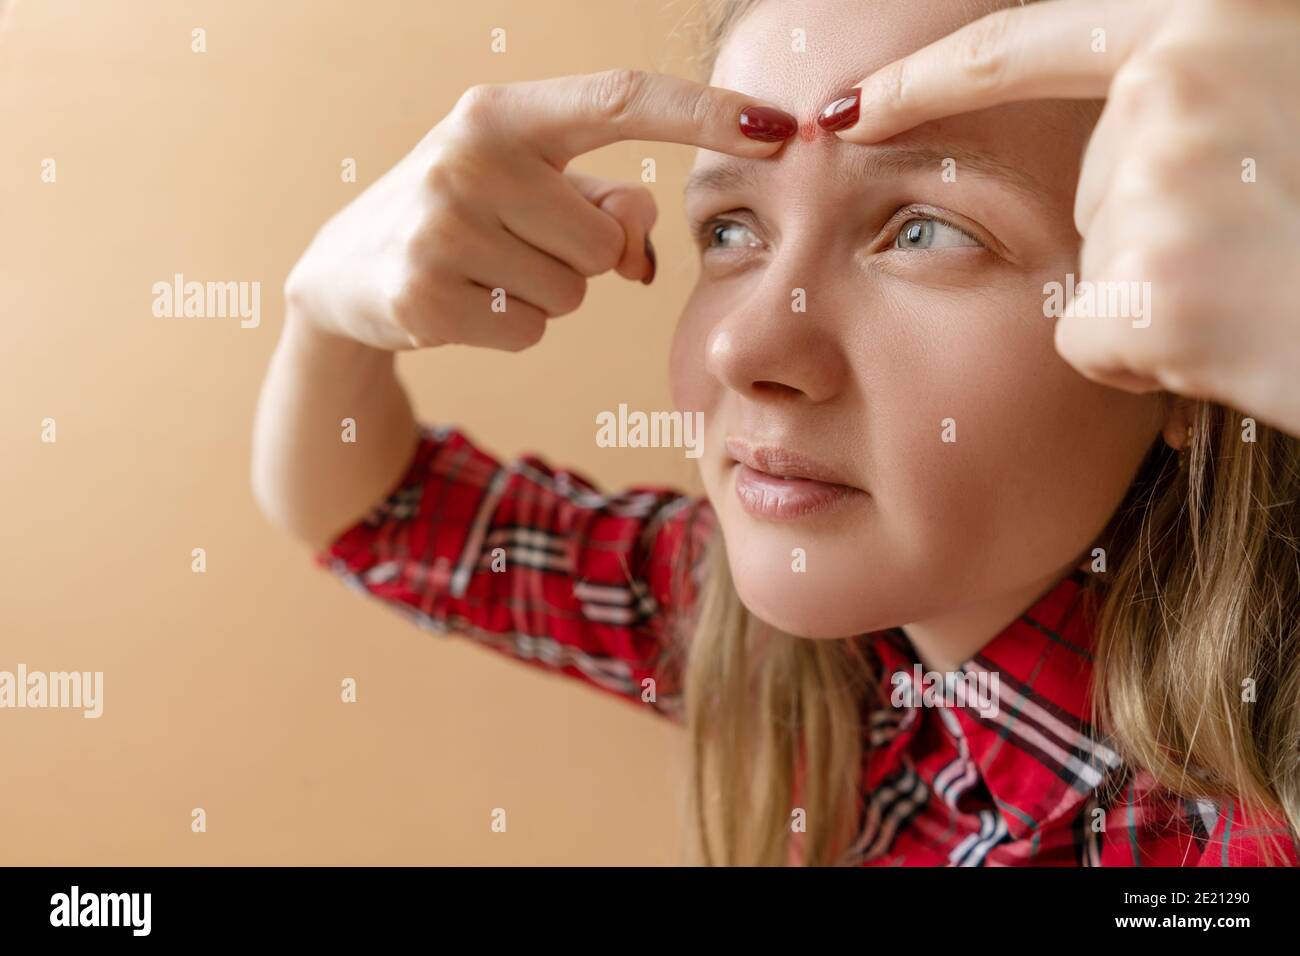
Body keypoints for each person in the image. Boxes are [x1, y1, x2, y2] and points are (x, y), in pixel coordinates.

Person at [252, 0, 1300, 865]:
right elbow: (378, 511)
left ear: (1191, 349)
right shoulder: (763, 648)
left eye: (924, 229)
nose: (743, 345)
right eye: (732, 229)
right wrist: (325, 305)